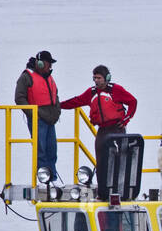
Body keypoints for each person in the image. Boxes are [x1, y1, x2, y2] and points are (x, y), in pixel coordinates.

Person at [60, 65, 138, 195]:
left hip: (117, 130)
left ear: (107, 78)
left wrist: (125, 120)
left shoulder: (116, 90)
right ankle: (102, 192)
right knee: (101, 161)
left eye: (99, 78)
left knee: (118, 160)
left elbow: (133, 102)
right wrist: (59, 105)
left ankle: (119, 190)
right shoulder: (91, 93)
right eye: (94, 78)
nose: (96, 81)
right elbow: (76, 101)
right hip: (102, 131)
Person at [14, 51, 61, 182]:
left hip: (51, 120)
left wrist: (57, 112)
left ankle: (52, 178)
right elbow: (19, 98)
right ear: (40, 63)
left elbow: (55, 95)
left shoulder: (49, 77)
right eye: (48, 63)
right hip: (37, 120)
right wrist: (33, 114)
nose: (50, 66)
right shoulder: (26, 77)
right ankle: (43, 179)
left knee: (52, 150)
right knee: (41, 151)